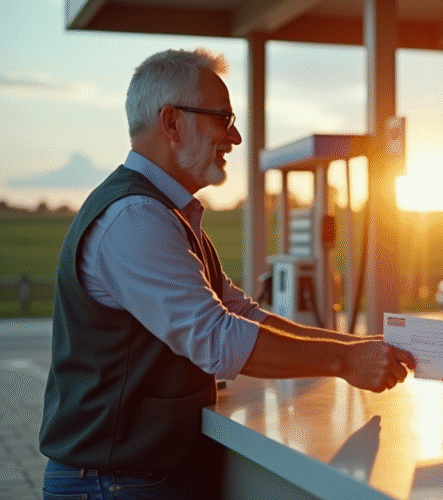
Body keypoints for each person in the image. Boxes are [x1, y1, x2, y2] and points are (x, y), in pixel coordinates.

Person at [39, 48, 414, 498]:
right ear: (172, 123)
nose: (234, 138)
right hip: (114, 483)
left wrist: (355, 346)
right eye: (223, 118)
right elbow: (217, 338)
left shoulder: (166, 215)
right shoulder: (136, 217)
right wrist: (344, 361)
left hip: (129, 476)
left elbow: (241, 314)